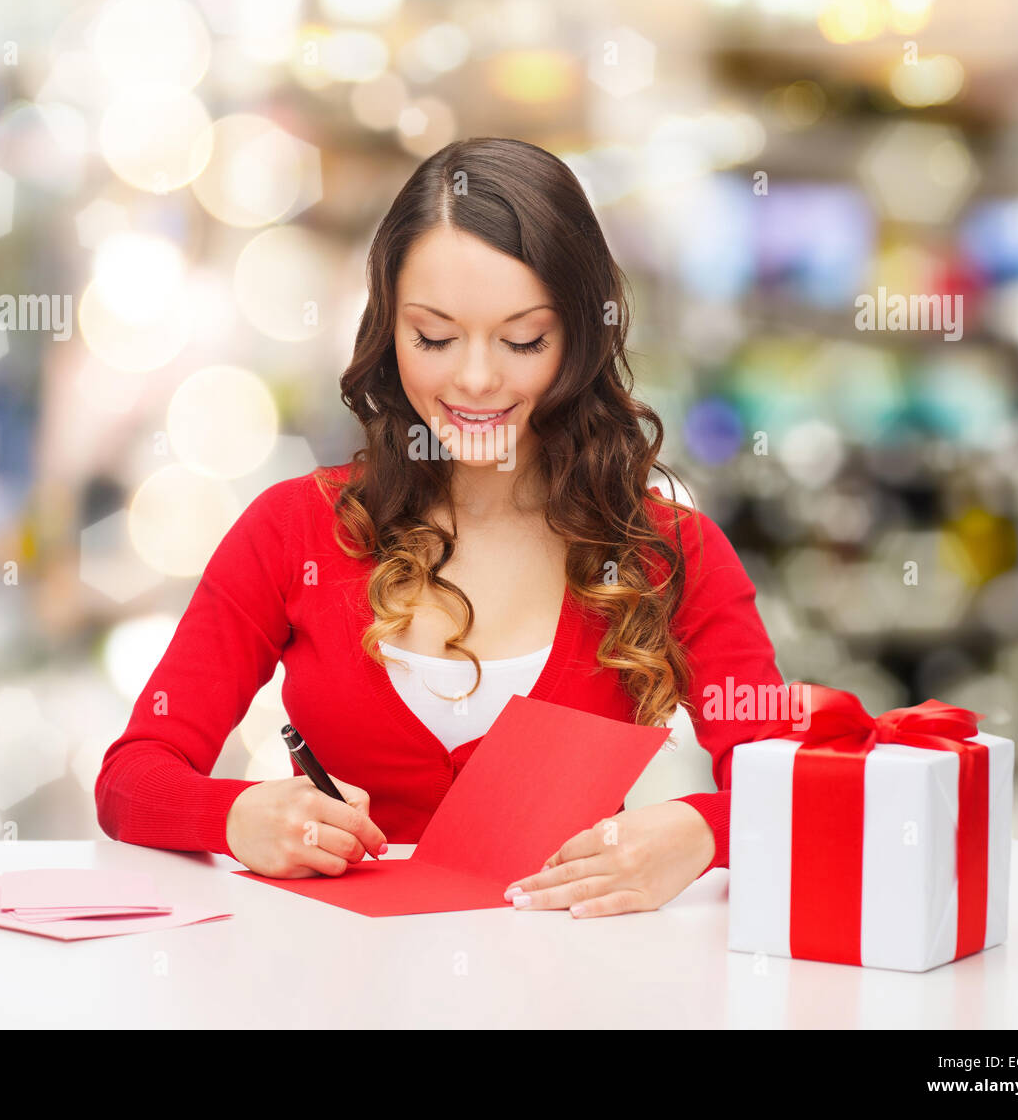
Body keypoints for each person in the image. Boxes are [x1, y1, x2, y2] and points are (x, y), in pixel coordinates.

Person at [95, 136, 783, 918]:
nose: (476, 378)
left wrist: (701, 831)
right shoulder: (293, 530)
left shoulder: (668, 551)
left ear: (581, 338)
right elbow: (131, 779)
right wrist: (233, 815)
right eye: (434, 337)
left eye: (524, 340)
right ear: (389, 331)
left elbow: (790, 783)